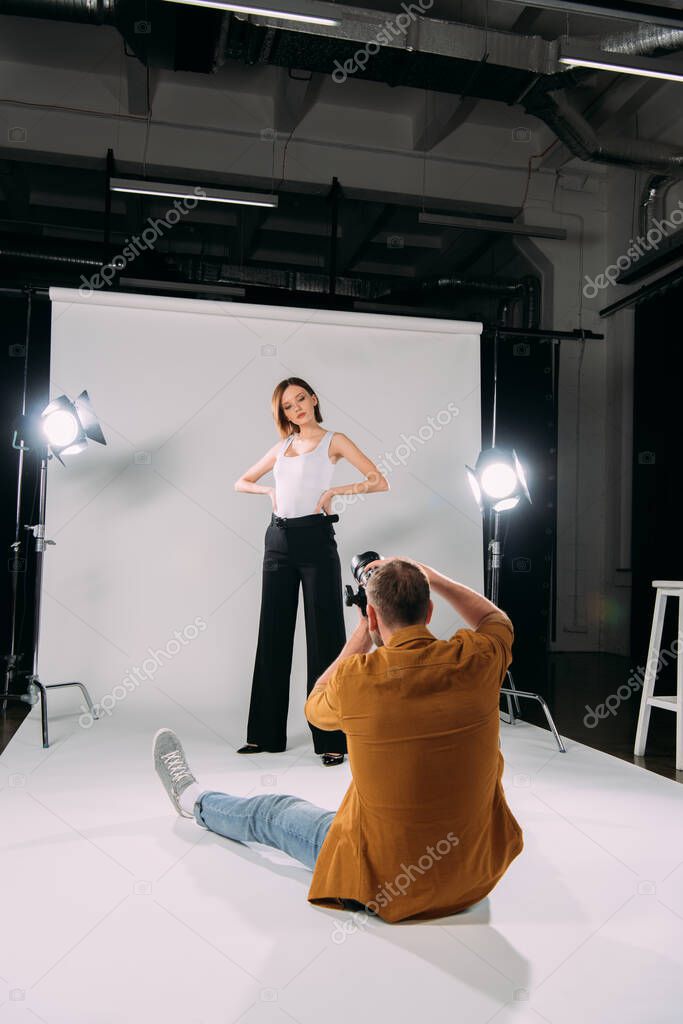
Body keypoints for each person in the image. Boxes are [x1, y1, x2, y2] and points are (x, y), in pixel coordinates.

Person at [153, 557, 524, 924]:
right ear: (428, 612)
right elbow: (496, 620)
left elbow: (315, 707)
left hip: (387, 884)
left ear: (375, 616)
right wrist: (431, 575)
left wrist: (363, 631)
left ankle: (192, 799)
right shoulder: (477, 658)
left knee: (273, 811)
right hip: (474, 878)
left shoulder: (357, 679)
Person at [233, 376, 388, 766]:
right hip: (278, 541)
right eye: (287, 405)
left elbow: (379, 481)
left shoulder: (334, 440)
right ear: (282, 413)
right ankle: (265, 735)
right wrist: (268, 492)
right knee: (273, 635)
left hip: (316, 540)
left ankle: (332, 739)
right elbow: (241, 482)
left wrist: (335, 492)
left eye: (301, 399)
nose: (296, 408)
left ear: (314, 399)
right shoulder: (282, 446)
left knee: (325, 637)